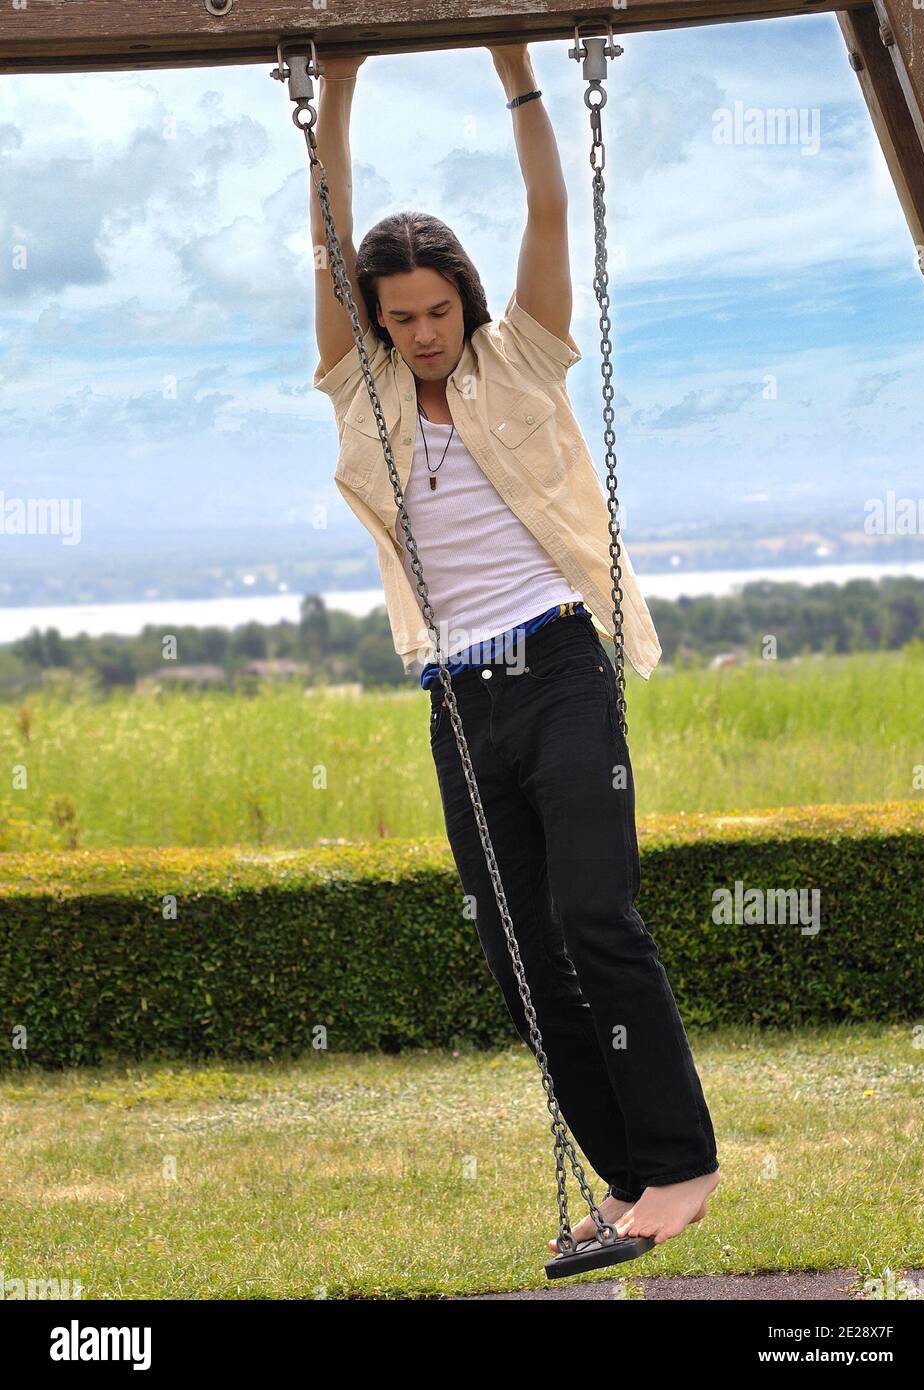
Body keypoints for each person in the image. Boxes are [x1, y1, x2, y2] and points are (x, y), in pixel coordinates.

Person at [311, 42, 720, 1250]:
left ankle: (684, 1163)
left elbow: (549, 206)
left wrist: (515, 62)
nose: (423, 332)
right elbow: (322, 224)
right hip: (456, 698)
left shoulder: (521, 356)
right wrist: (332, 87)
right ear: (375, 319)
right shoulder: (360, 388)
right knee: (519, 957)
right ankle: (631, 1182)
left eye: (438, 310)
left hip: (559, 672)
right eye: (402, 317)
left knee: (597, 915)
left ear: (466, 302)